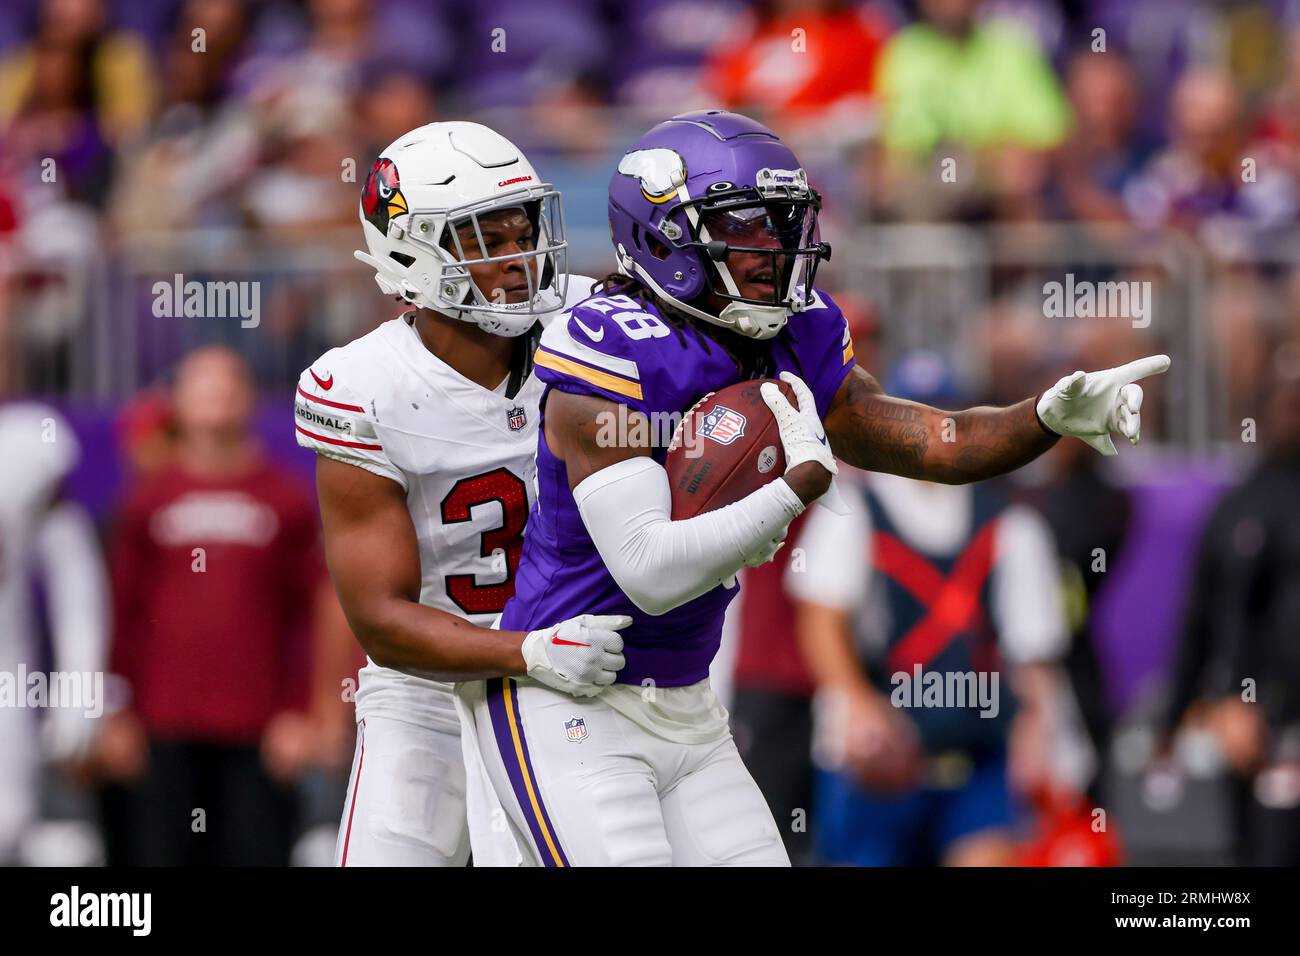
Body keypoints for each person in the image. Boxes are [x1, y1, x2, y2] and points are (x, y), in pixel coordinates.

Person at [458, 109, 1170, 867]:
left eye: (786, 225)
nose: (779, 250)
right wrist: (793, 488)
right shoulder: (611, 347)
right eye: (750, 227)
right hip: (569, 699)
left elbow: (935, 441)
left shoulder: (796, 332)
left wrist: (1041, 418)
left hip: (687, 703)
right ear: (663, 234)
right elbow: (650, 571)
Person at [298, 121, 627, 867]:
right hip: (431, 696)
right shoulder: (362, 387)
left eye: (523, 230)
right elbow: (381, 620)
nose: (518, 258)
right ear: (411, 251)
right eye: (485, 240)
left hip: (580, 685)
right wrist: (528, 652)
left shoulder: (594, 324)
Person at [789, 352, 1068, 866]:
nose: (930, 433)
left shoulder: (1009, 522)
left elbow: (1032, 651)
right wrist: (856, 702)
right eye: (919, 414)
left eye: (945, 414)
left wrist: (1038, 740)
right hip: (879, 753)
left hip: (976, 752)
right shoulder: (853, 508)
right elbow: (821, 616)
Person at [106, 346, 322, 865]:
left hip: (260, 730)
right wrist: (114, 712)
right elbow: (123, 612)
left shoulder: (286, 500)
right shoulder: (148, 501)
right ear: (177, 402)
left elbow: (314, 617)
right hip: (164, 725)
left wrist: (303, 713)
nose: (217, 396)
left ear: (250, 398)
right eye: (203, 384)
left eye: (228, 382)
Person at [0, 402, 108, 864]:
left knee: (12, 820)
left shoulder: (27, 452)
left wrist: (78, 693)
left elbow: (76, 587)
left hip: (8, 683)